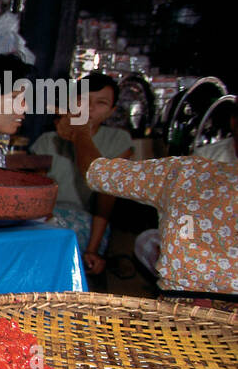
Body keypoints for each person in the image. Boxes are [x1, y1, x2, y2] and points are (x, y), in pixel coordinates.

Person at [84, 124, 237, 300]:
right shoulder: (188, 170)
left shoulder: (185, 172)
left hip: (180, 310)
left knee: (149, 240)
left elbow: (95, 172)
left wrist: (80, 134)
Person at [30, 73, 134, 275]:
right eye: (83, 99)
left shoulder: (118, 139)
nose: (90, 107)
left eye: (101, 103)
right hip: (46, 216)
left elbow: (106, 200)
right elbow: (37, 193)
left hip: (88, 221)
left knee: (58, 237)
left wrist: (93, 250)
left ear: (111, 111)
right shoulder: (47, 139)